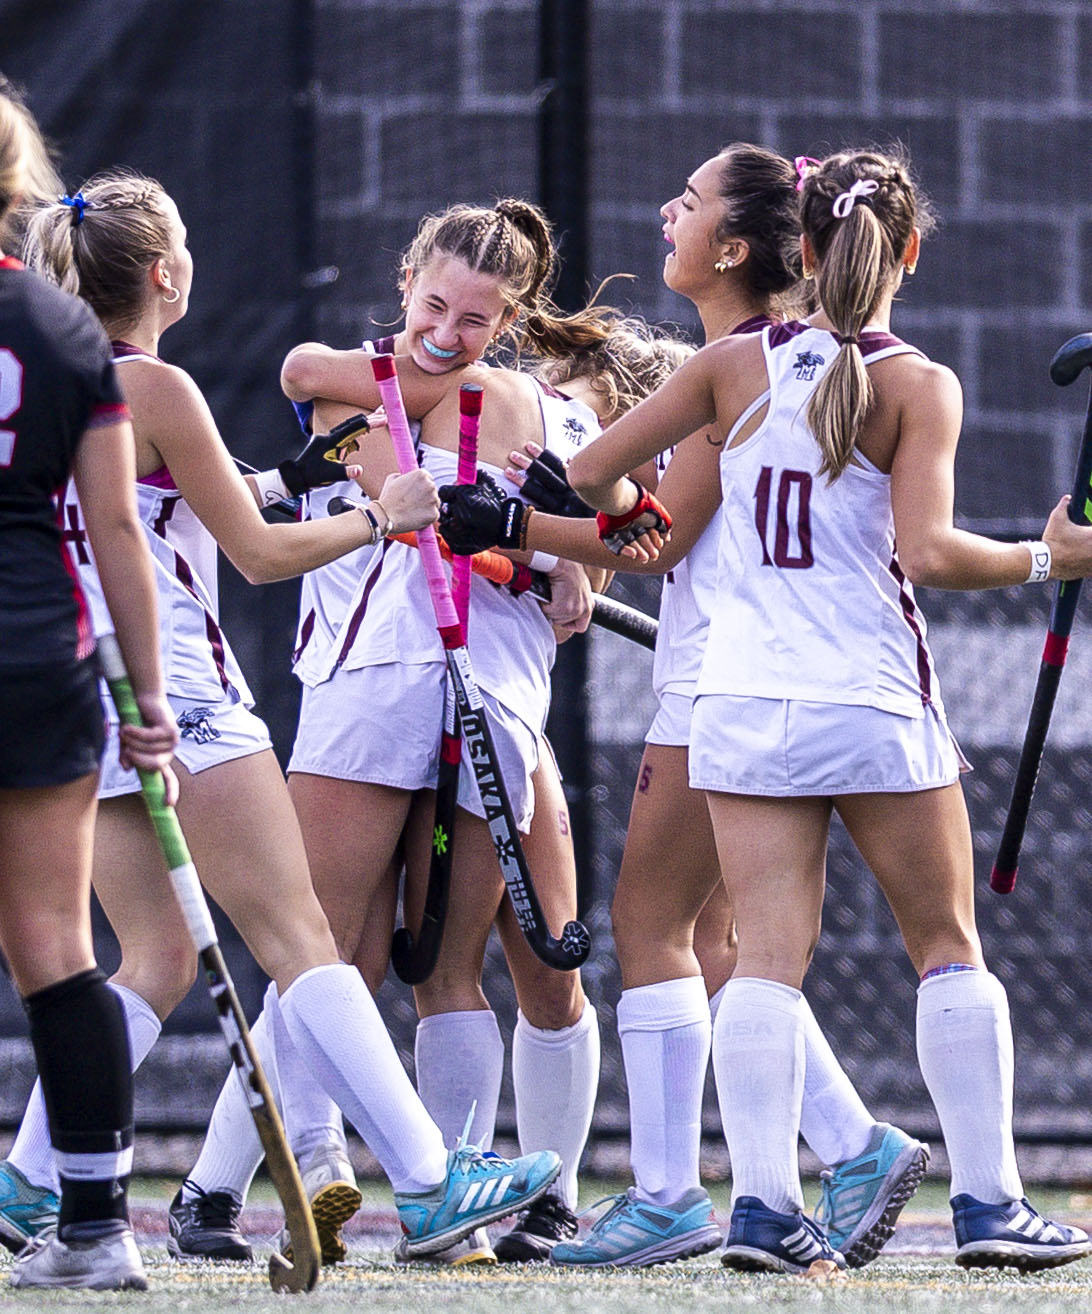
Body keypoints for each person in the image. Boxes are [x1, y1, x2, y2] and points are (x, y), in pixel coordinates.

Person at [0, 175, 556, 1272]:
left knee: (152, 957)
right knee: (300, 937)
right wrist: (383, 514)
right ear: (163, 275)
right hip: (177, 690)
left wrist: (286, 481)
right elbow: (261, 554)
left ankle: (24, 1176)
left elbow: (192, 502)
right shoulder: (155, 384)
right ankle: (431, 1182)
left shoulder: (28, 383)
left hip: (68, 694)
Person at [562, 146, 1092, 1274]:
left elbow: (598, 479)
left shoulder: (731, 364)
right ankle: (991, 1205)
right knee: (946, 945)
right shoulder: (918, 382)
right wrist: (1045, 561)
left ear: (799, 251)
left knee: (764, 958)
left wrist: (618, 521)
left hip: (744, 705)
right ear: (903, 252)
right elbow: (931, 553)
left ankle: (762, 1207)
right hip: (872, 699)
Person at [537, 146, 897, 1270]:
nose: (667, 212)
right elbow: (653, 526)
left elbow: (651, 534)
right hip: (765, 672)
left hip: (718, 682)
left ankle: (666, 1194)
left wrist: (506, 524)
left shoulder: (739, 363)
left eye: (687, 205)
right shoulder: (770, 357)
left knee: (653, 926)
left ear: (733, 247)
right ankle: (853, 1143)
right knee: (712, 937)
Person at [265, 202, 616, 1264]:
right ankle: (307, 1166)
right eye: (433, 304)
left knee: (455, 959)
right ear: (406, 275)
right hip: (368, 678)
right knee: (323, 940)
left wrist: (571, 570)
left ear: (507, 317)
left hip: (494, 693)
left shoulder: (544, 411)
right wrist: (461, 405)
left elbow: (599, 534)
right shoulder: (350, 382)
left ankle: (497, 1199)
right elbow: (304, 372)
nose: (449, 330)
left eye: (477, 317)